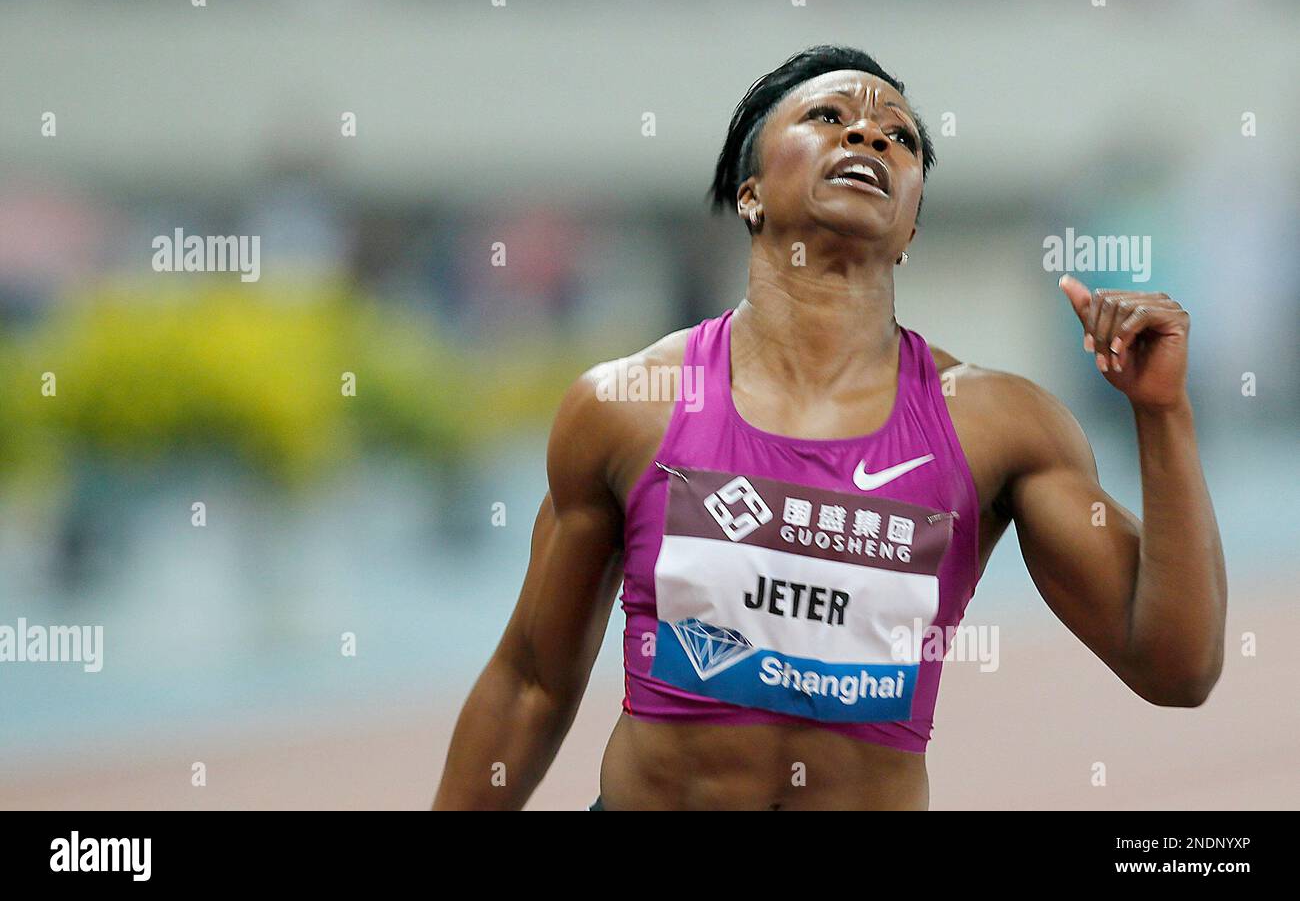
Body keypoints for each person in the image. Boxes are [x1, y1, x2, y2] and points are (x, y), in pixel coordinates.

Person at [433, 45, 1226, 810]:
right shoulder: (628, 405)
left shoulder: (998, 424)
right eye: (828, 114)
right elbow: (531, 683)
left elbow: (1177, 669)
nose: (870, 133)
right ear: (749, 192)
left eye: (900, 135)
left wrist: (1163, 415)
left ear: (911, 225)